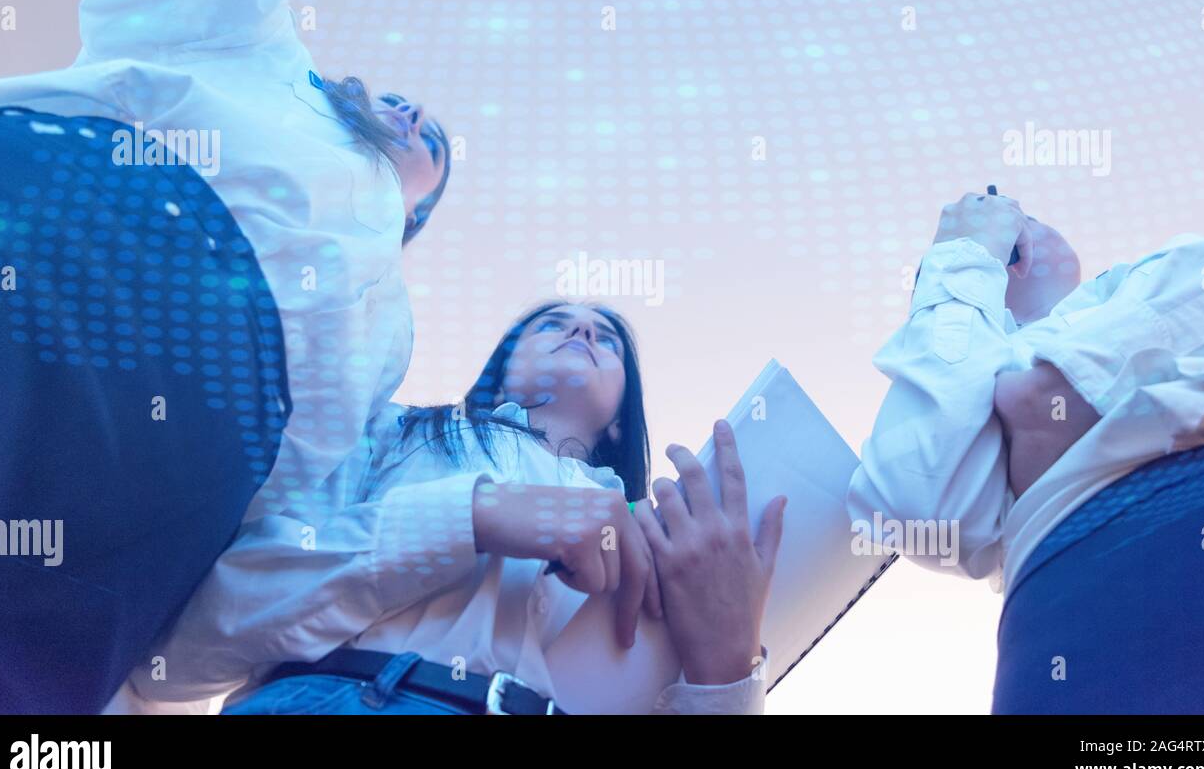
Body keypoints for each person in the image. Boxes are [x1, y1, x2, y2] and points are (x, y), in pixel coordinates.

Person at [0, 0, 448, 712]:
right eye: (409, 100)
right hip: (45, 249)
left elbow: (290, 535)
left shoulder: (390, 345)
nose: (412, 115)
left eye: (433, 142)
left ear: (421, 214)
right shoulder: (259, 49)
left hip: (147, 506)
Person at [118, 302, 785, 714]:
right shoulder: (386, 430)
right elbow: (184, 652)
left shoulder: (664, 539)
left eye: (606, 336)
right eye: (553, 322)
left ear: (620, 416)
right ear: (499, 370)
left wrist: (729, 672)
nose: (583, 326)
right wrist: (475, 516)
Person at [846, 192, 1204, 711]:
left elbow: (1040, 402)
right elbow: (919, 504)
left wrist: (968, 272)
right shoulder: (1024, 373)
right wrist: (967, 257)